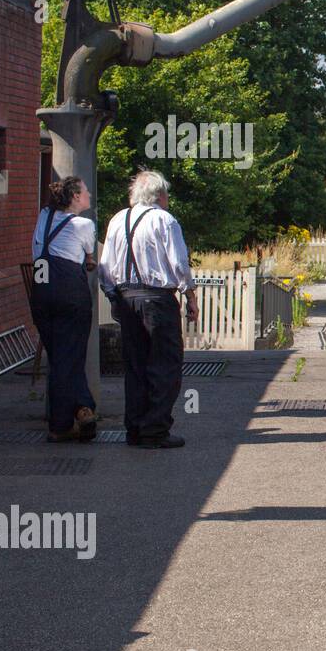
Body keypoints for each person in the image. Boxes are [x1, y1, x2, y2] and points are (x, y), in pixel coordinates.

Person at [98, 170, 197, 449]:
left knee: (135, 365)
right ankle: (155, 430)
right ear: (160, 195)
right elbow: (179, 264)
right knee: (164, 364)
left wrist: (113, 296)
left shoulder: (118, 219)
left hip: (126, 297)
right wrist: (190, 296)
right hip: (157, 298)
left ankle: (135, 428)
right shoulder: (164, 220)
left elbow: (106, 267)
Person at [28, 176, 98, 442]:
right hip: (70, 296)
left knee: (59, 357)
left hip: (41, 293)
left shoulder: (44, 216)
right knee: (69, 356)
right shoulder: (84, 224)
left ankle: (80, 411)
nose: (89, 194)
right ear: (75, 198)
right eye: (85, 191)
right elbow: (88, 259)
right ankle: (64, 422)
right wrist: (88, 262)